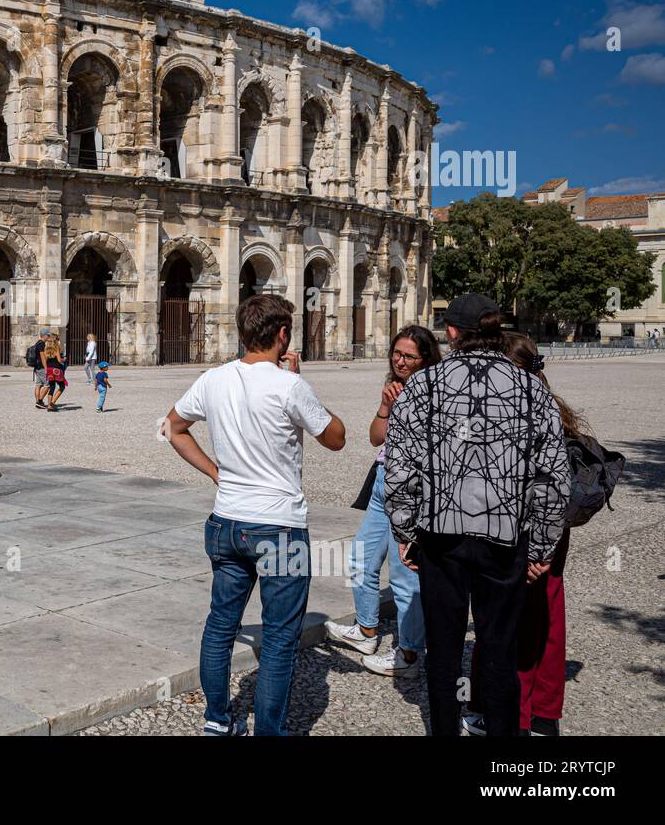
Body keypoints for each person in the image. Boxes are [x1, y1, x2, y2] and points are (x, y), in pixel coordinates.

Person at [384, 293, 570, 737]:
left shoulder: (423, 387)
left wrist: (406, 532)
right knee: (500, 649)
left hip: (441, 535)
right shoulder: (529, 387)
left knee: (444, 652)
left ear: (451, 333)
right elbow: (553, 477)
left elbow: (398, 470)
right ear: (495, 331)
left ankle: (445, 730)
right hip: (505, 538)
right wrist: (542, 545)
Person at [165, 294, 346, 736]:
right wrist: (304, 388)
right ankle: (269, 730)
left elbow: (172, 427)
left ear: (242, 332)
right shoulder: (289, 386)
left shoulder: (213, 379)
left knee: (220, 625)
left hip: (226, 521)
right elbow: (336, 438)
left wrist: (215, 472)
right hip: (279, 526)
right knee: (281, 638)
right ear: (283, 335)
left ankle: (216, 719)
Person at [462, 332, 587, 736]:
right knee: (546, 618)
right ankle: (544, 716)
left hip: (514, 528)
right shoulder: (551, 405)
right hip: (551, 527)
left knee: (498, 619)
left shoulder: (513, 405)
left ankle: (498, 710)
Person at [325, 325, 442, 677]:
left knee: (406, 575)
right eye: (397, 353)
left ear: (425, 359)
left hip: (411, 488)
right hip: (382, 481)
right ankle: (366, 630)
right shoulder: (393, 388)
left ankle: (407, 652)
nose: (401, 361)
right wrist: (385, 405)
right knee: (362, 558)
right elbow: (377, 438)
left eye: (409, 356)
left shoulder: (436, 391)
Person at [43, 333, 68, 411]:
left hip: (49, 369)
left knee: (52, 387)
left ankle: (49, 406)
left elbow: (45, 360)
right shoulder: (56, 348)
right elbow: (59, 360)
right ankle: (52, 403)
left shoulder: (46, 349)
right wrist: (64, 359)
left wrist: (46, 368)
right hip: (56, 369)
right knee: (62, 386)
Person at [29, 328, 50, 409]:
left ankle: (38, 402)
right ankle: (39, 401)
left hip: (37, 367)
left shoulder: (37, 343)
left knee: (38, 385)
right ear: (44, 335)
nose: (48, 337)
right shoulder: (42, 344)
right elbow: (43, 357)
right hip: (41, 367)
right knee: (47, 385)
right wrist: (46, 368)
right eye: (48, 335)